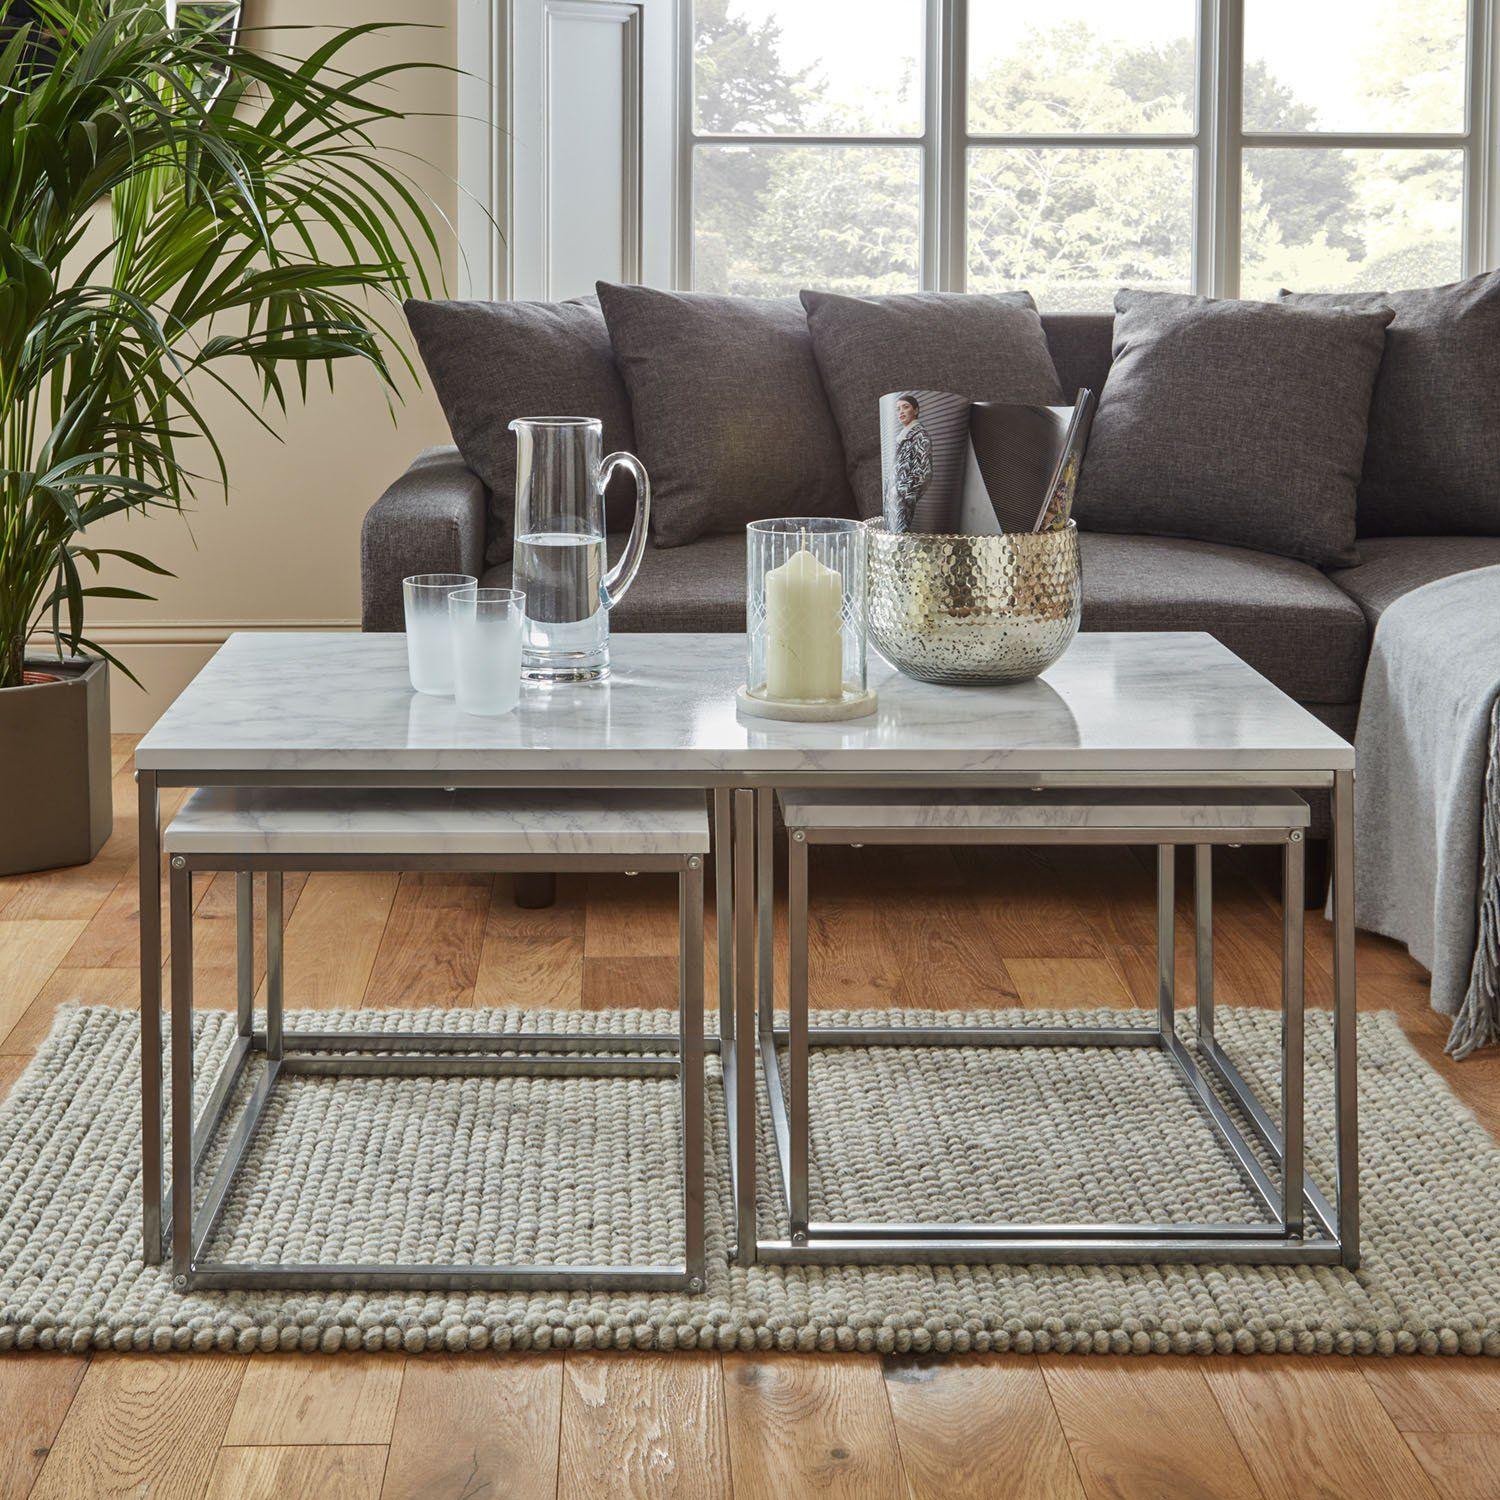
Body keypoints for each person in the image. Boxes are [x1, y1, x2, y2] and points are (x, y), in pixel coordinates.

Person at [887, 393, 932, 532]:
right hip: (893, 499)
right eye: (898, 409)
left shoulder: (920, 436)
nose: (901, 412)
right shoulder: (902, 436)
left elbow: (924, 472)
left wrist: (901, 492)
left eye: (905, 407)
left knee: (901, 537)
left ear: (916, 410)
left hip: (902, 500)